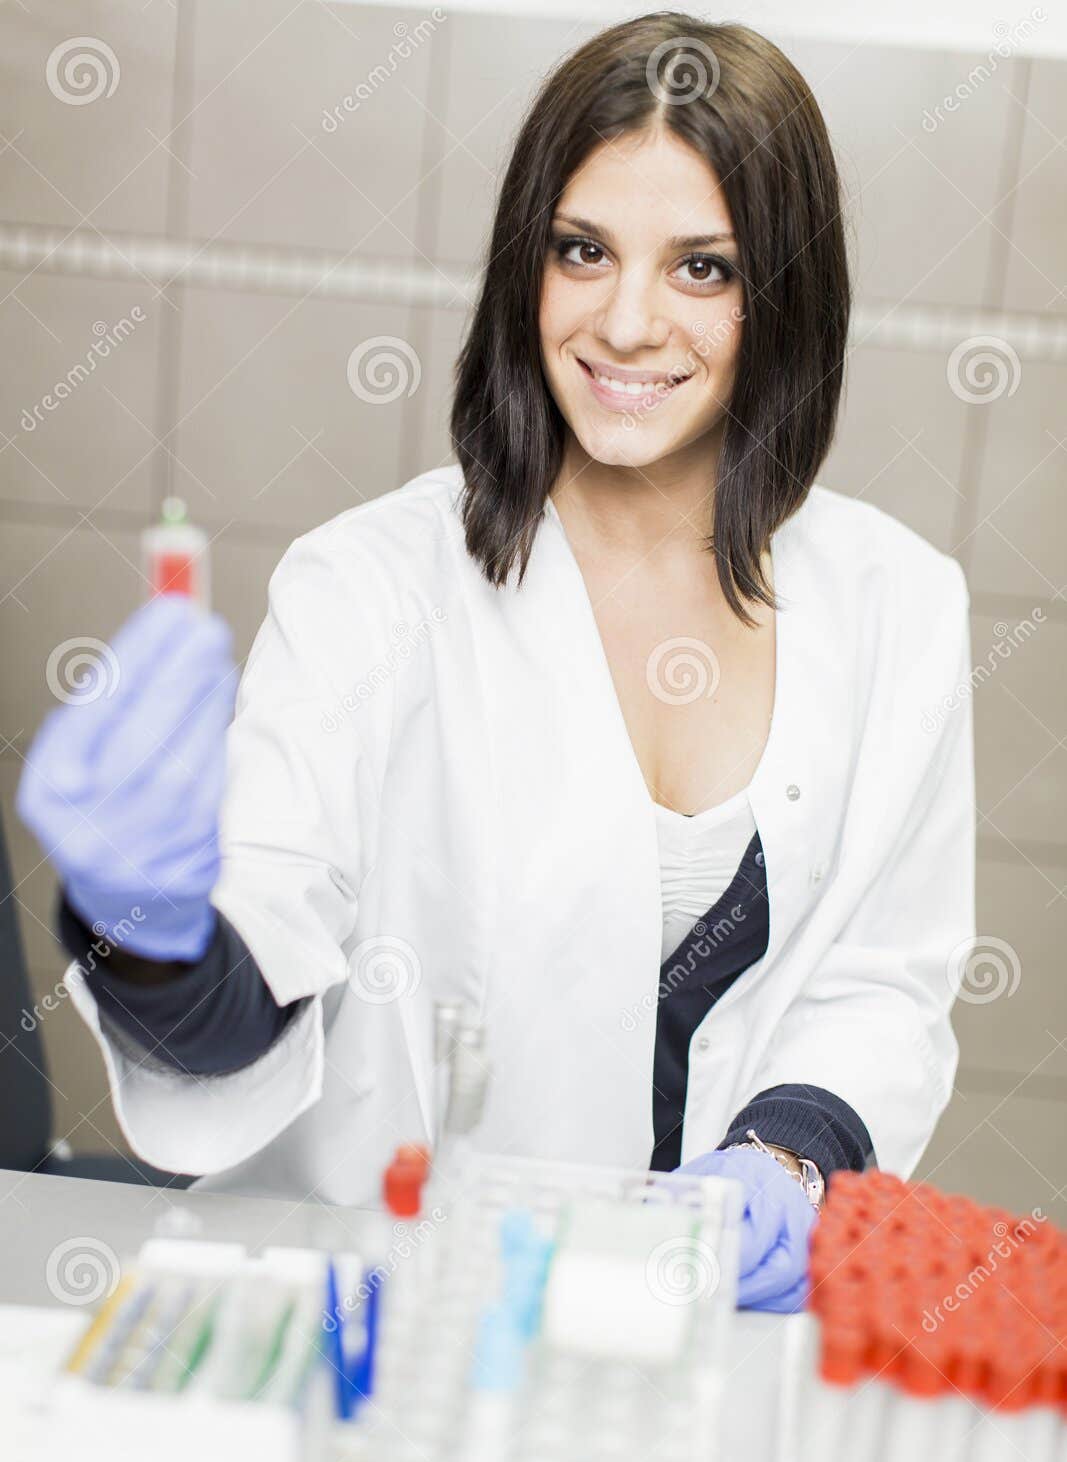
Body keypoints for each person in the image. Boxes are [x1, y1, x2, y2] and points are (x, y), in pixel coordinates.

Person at [16, 16, 975, 1311]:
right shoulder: (370, 588)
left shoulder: (899, 606)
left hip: (703, 1330)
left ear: (783, 297)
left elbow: (886, 982)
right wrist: (144, 935)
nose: (626, 322)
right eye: (584, 251)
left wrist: (791, 1153)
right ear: (528, 261)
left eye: (702, 267)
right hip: (390, 1310)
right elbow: (253, 990)